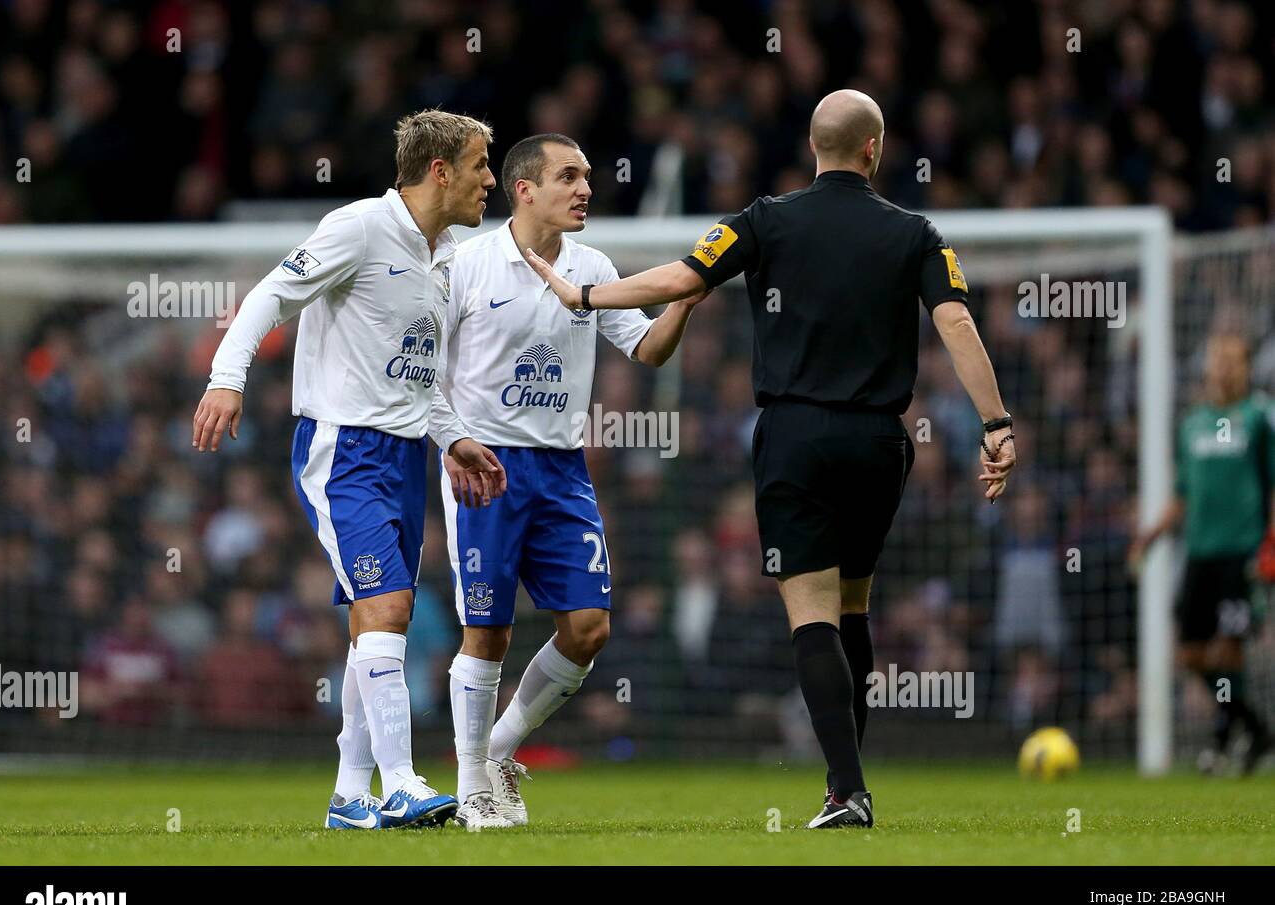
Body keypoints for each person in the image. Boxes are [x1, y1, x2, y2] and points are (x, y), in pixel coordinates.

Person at [526, 90, 1016, 828]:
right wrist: (996, 423)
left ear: (813, 147)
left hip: (795, 437)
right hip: (883, 441)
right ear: (874, 151)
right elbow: (955, 319)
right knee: (854, 604)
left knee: (812, 612)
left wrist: (584, 292)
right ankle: (844, 779)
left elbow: (682, 279)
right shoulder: (916, 233)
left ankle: (847, 790)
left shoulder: (766, 219)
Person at [193, 110, 507, 830]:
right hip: (344, 451)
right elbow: (270, 294)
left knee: (375, 622)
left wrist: (453, 438)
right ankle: (398, 780)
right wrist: (226, 377)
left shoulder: (447, 255)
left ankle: (348, 794)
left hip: (404, 457)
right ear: (439, 171)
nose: (490, 179)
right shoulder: (361, 227)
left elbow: (420, 383)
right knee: (389, 606)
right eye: (480, 164)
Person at [437, 134, 705, 829]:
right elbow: (424, 369)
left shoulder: (593, 265)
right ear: (524, 189)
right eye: (569, 176)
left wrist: (683, 299)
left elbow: (646, 349)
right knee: (487, 631)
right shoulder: (466, 264)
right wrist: (451, 444)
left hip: (561, 468)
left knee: (588, 628)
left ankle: (496, 751)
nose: (586, 188)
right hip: (486, 465)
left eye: (587, 175)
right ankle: (470, 788)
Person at [1131, 333, 1273, 773]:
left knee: (1229, 649)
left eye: (1234, 360)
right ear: (1208, 367)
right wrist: (1151, 534)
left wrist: (1270, 544)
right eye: (1219, 360)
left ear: (1247, 368)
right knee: (1190, 654)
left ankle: (1220, 740)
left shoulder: (1259, 418)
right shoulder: (1193, 424)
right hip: (1201, 553)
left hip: (1242, 552)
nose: (1226, 368)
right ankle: (1256, 730)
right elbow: (1183, 493)